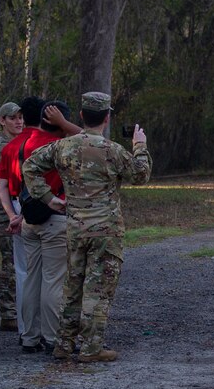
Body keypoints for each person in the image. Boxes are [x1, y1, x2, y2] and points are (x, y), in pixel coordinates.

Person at [23, 92, 151, 362]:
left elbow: (30, 165)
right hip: (106, 231)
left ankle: (64, 344)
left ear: (81, 115)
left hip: (76, 228)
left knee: (73, 286)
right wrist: (140, 146)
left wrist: (46, 197)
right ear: (106, 117)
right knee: (99, 289)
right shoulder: (112, 150)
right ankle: (92, 348)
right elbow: (141, 175)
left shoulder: (63, 147)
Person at [4, 98, 80, 354]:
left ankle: (29, 336)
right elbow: (93, 142)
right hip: (54, 216)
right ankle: (51, 336)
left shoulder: (26, 143)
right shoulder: (60, 145)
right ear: (59, 123)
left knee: (31, 279)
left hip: (28, 218)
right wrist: (66, 124)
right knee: (53, 280)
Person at [0, 101, 25, 332]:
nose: (18, 122)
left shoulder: (19, 142)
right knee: (10, 260)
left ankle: (19, 308)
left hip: (17, 204)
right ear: (2, 121)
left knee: (19, 260)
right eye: (13, 118)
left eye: (20, 117)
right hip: (4, 208)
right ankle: (8, 311)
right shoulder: (1, 145)